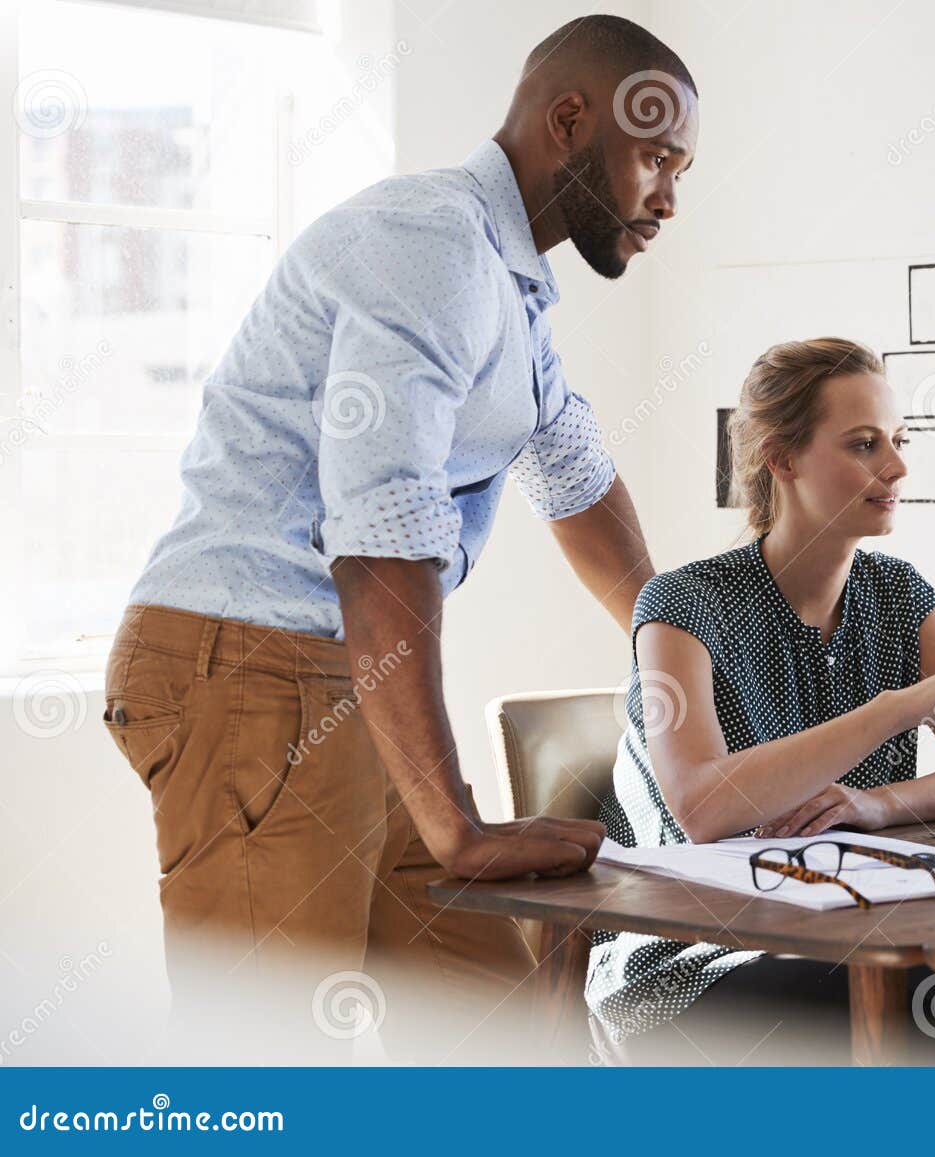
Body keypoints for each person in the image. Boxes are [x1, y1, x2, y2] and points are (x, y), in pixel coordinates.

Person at [101, 15, 697, 1062]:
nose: (667, 200)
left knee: (509, 1050)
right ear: (569, 121)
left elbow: (571, 469)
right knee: (267, 1069)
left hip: (349, 685)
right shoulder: (431, 244)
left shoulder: (510, 288)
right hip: (248, 665)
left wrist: (688, 663)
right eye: (657, 158)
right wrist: (456, 820)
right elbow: (379, 533)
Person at [588, 337, 935, 1064]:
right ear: (781, 458)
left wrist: (875, 804)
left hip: (855, 936)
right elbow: (702, 807)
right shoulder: (679, 606)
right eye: (865, 444)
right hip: (696, 965)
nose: (897, 467)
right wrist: (900, 707)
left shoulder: (899, 593)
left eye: (897, 442)